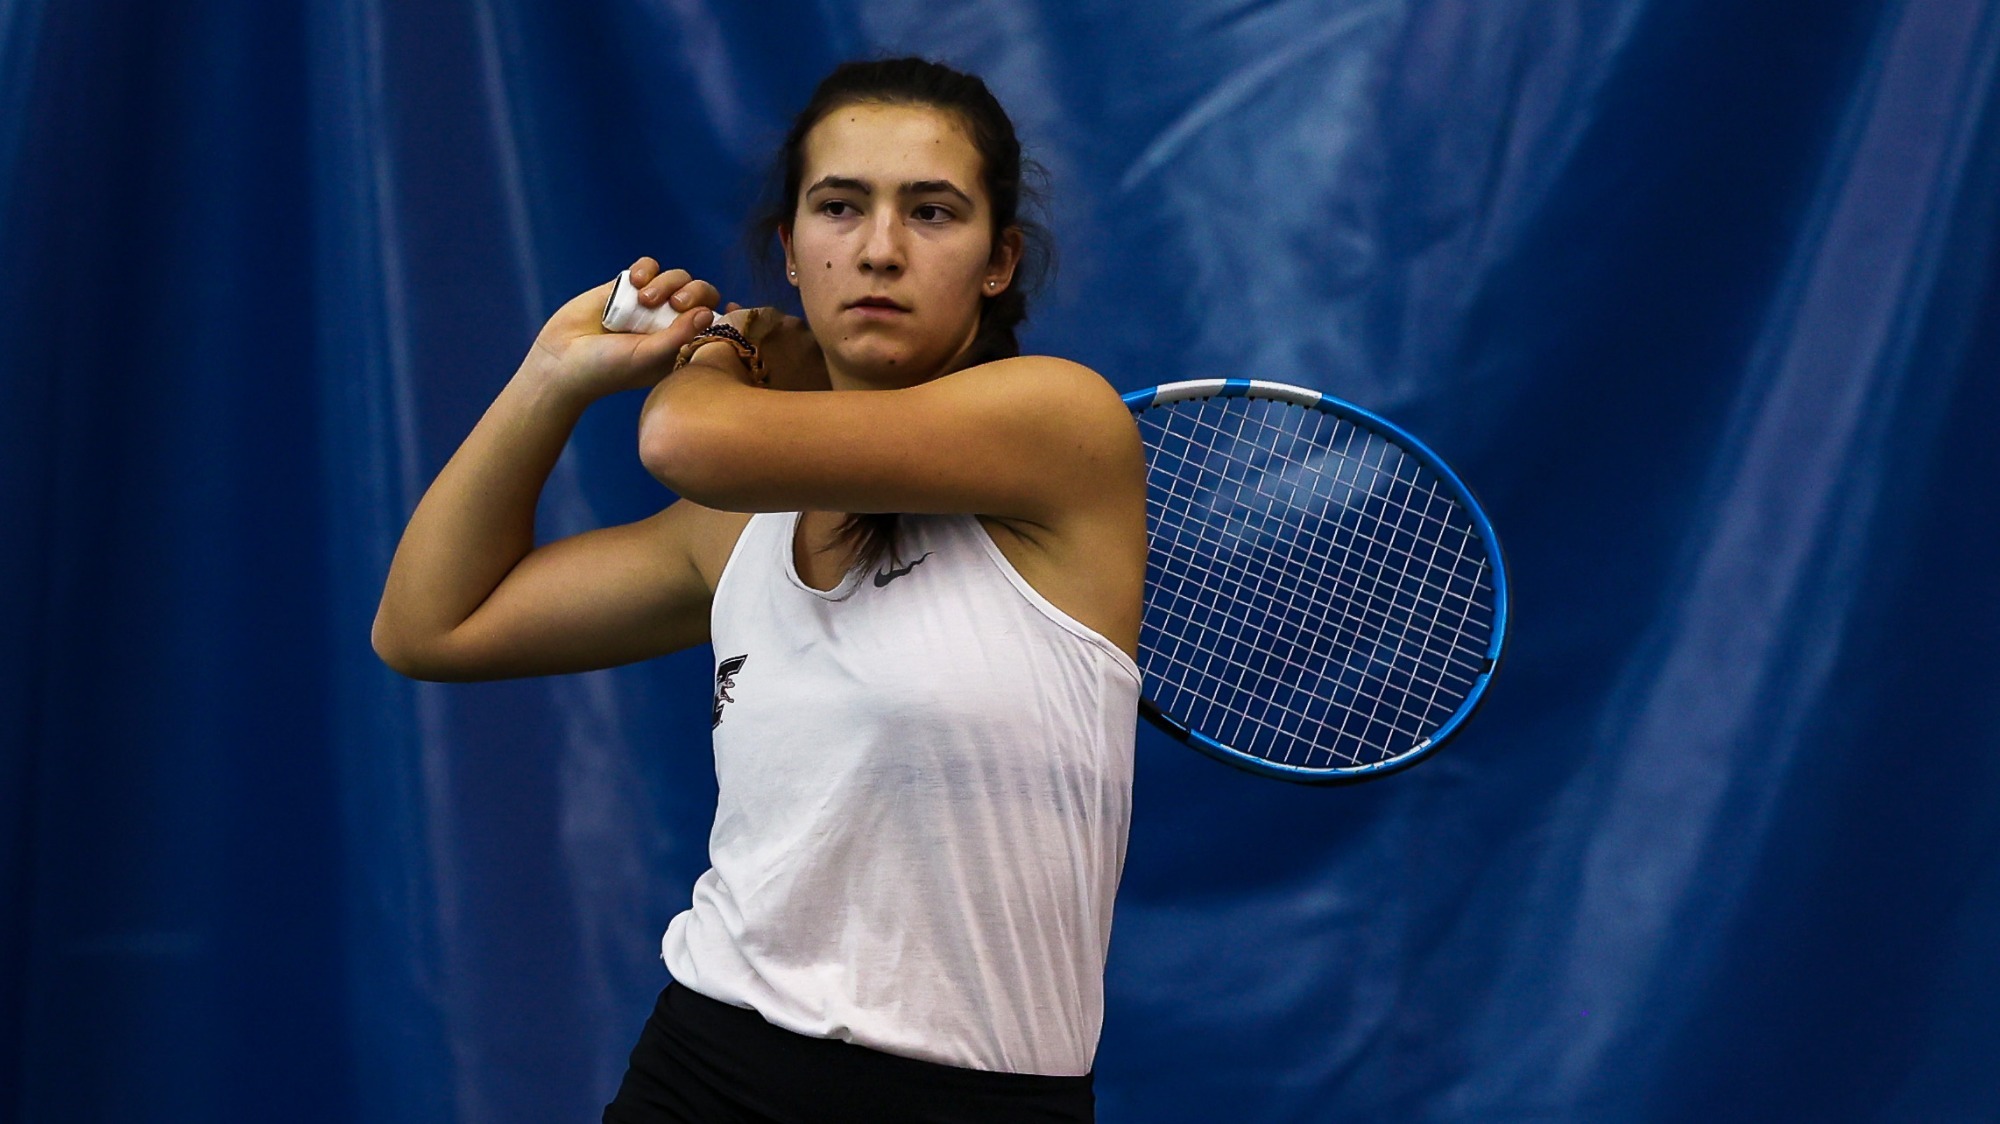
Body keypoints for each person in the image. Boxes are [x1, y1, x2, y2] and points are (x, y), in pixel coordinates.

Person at [372, 57, 1146, 1123]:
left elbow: (684, 435)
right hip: (704, 1075)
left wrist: (724, 342)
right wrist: (549, 377)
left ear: (998, 261)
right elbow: (429, 624)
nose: (878, 247)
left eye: (931, 211)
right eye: (839, 206)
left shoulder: (1060, 424)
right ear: (791, 249)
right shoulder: (735, 526)